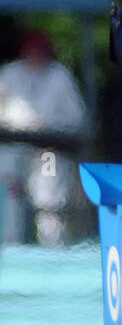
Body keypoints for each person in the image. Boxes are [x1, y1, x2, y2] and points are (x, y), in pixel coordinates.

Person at [0, 30, 88, 245]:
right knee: (11, 196)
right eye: (31, 51)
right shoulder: (10, 73)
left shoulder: (60, 75)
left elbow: (76, 116)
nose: (35, 56)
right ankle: (11, 248)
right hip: (14, 145)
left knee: (49, 199)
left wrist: (50, 126)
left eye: (39, 52)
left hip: (49, 147)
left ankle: (52, 249)